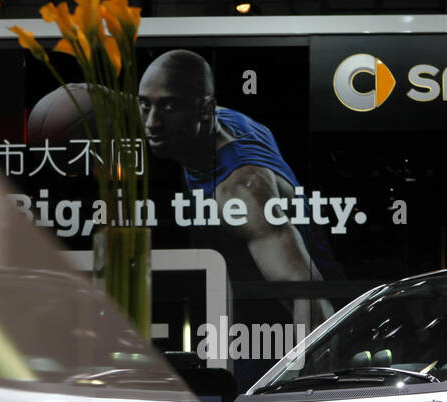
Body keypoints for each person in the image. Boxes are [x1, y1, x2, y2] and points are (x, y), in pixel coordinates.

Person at [138, 49, 337, 332]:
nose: (152, 123)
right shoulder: (217, 121)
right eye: (145, 105)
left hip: (282, 335)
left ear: (205, 110)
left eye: (168, 107)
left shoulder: (241, 191)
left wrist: (304, 370)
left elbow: (308, 295)